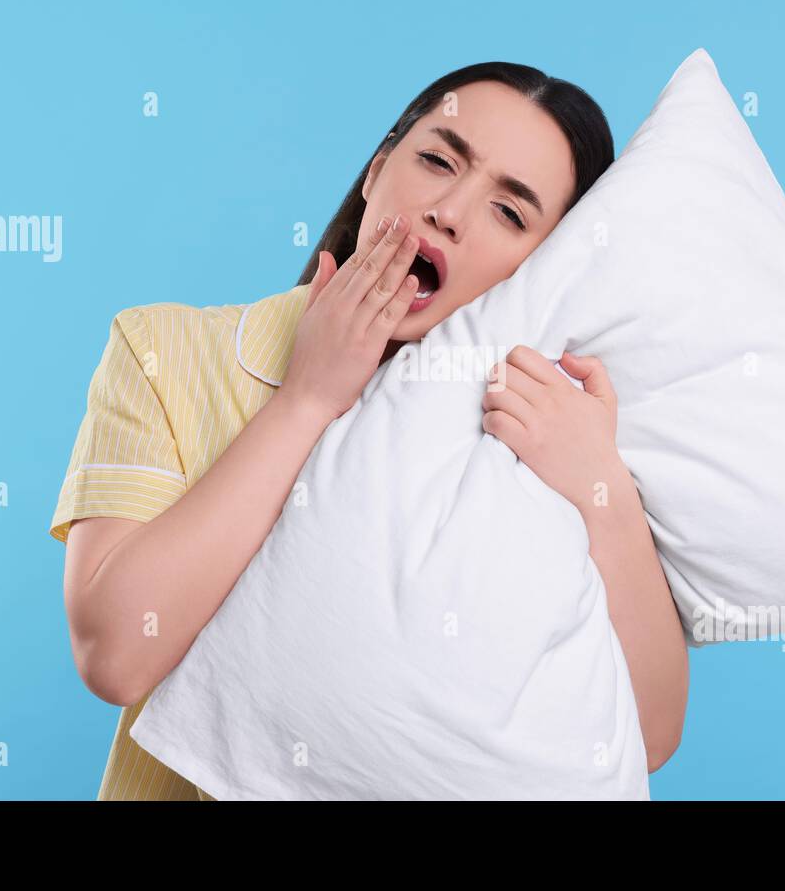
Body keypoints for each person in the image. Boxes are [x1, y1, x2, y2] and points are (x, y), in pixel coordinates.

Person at [49, 62, 688, 800]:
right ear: (377, 168)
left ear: (546, 268)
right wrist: (307, 399)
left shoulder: (541, 431)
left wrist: (598, 487)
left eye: (509, 212)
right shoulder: (164, 349)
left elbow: (646, 734)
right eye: (438, 161)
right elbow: (117, 652)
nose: (448, 211)